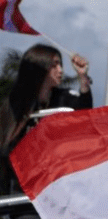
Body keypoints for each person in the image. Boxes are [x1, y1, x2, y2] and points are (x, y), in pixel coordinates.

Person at [0, 44, 92, 195]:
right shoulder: (13, 104)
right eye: (54, 65)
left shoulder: (65, 98)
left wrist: (83, 77)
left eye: (60, 64)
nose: (60, 70)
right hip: (23, 194)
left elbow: (84, 116)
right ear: (39, 66)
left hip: (58, 191)